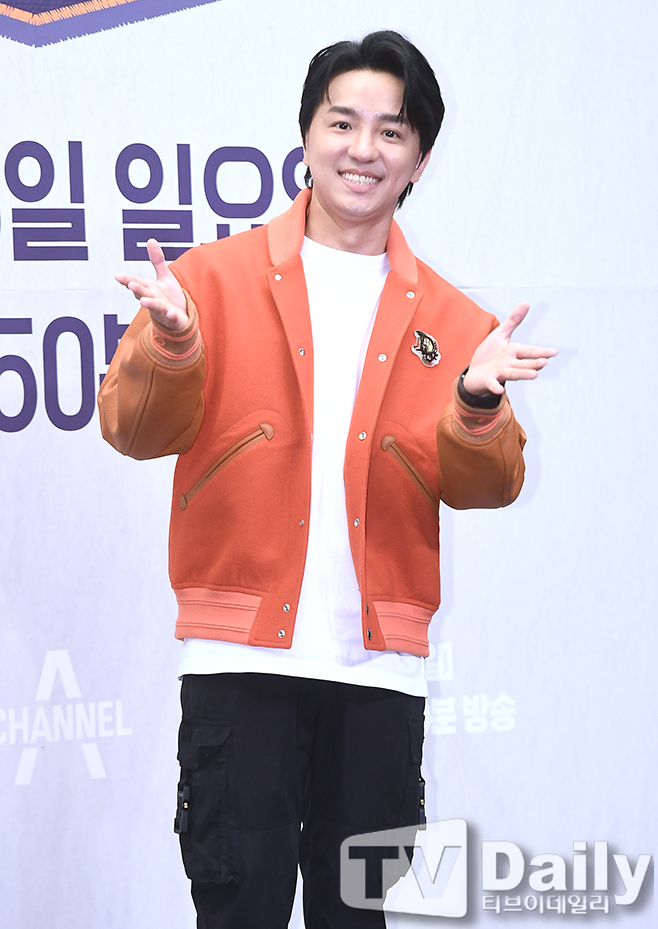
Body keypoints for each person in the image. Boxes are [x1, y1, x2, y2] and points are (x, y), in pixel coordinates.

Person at [98, 30, 556, 929]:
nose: (363, 149)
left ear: (420, 156)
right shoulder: (207, 281)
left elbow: (488, 484)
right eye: (342, 123)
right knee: (239, 911)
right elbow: (131, 428)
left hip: (380, 673)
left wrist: (475, 403)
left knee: (360, 915)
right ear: (306, 134)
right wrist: (174, 345)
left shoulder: (457, 320)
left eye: (391, 131)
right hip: (240, 664)